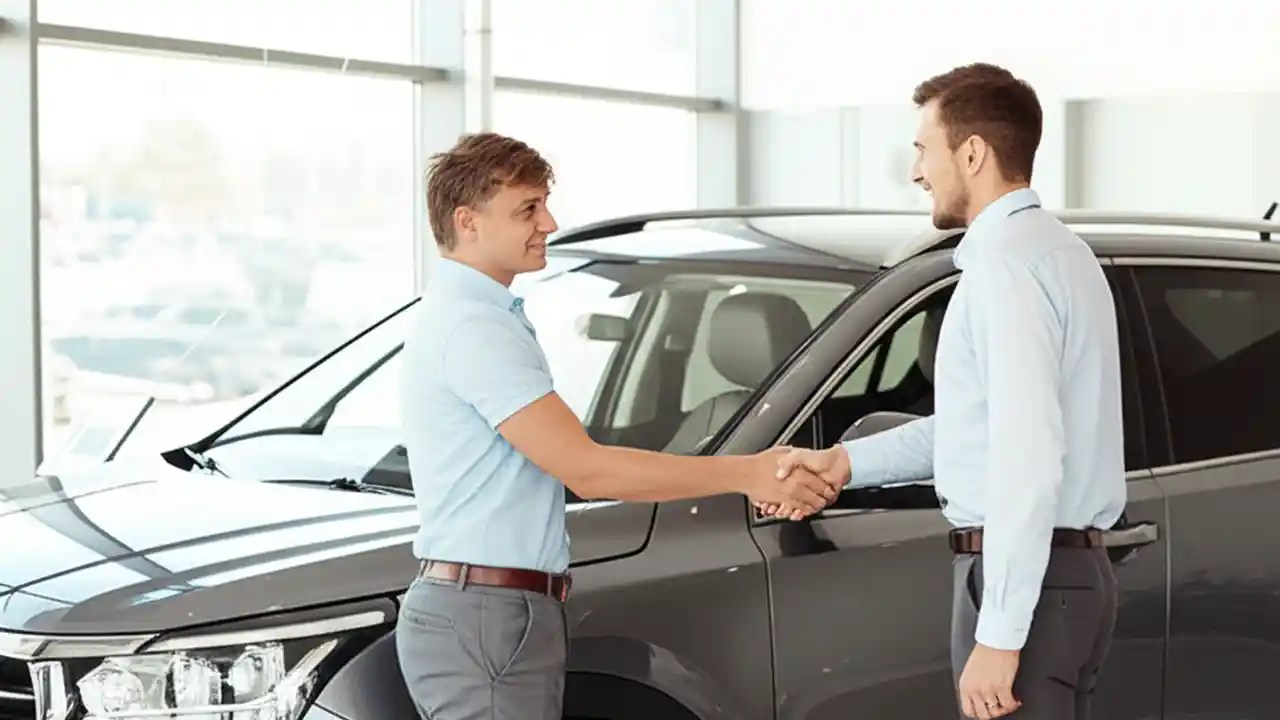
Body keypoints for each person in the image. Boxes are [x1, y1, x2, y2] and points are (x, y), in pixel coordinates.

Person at [395, 132, 838, 720]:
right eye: (527, 209)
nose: (548, 223)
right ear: (467, 222)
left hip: (487, 611)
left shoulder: (469, 316)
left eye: (544, 204)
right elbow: (587, 468)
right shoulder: (475, 327)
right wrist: (750, 472)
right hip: (487, 614)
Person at [763, 63, 1126, 719]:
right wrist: (845, 463)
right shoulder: (1060, 253)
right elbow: (979, 428)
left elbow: (1027, 458)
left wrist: (1001, 633)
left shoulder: (1004, 269)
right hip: (1065, 579)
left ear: (973, 152)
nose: (916, 172)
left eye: (922, 149)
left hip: (1029, 585)